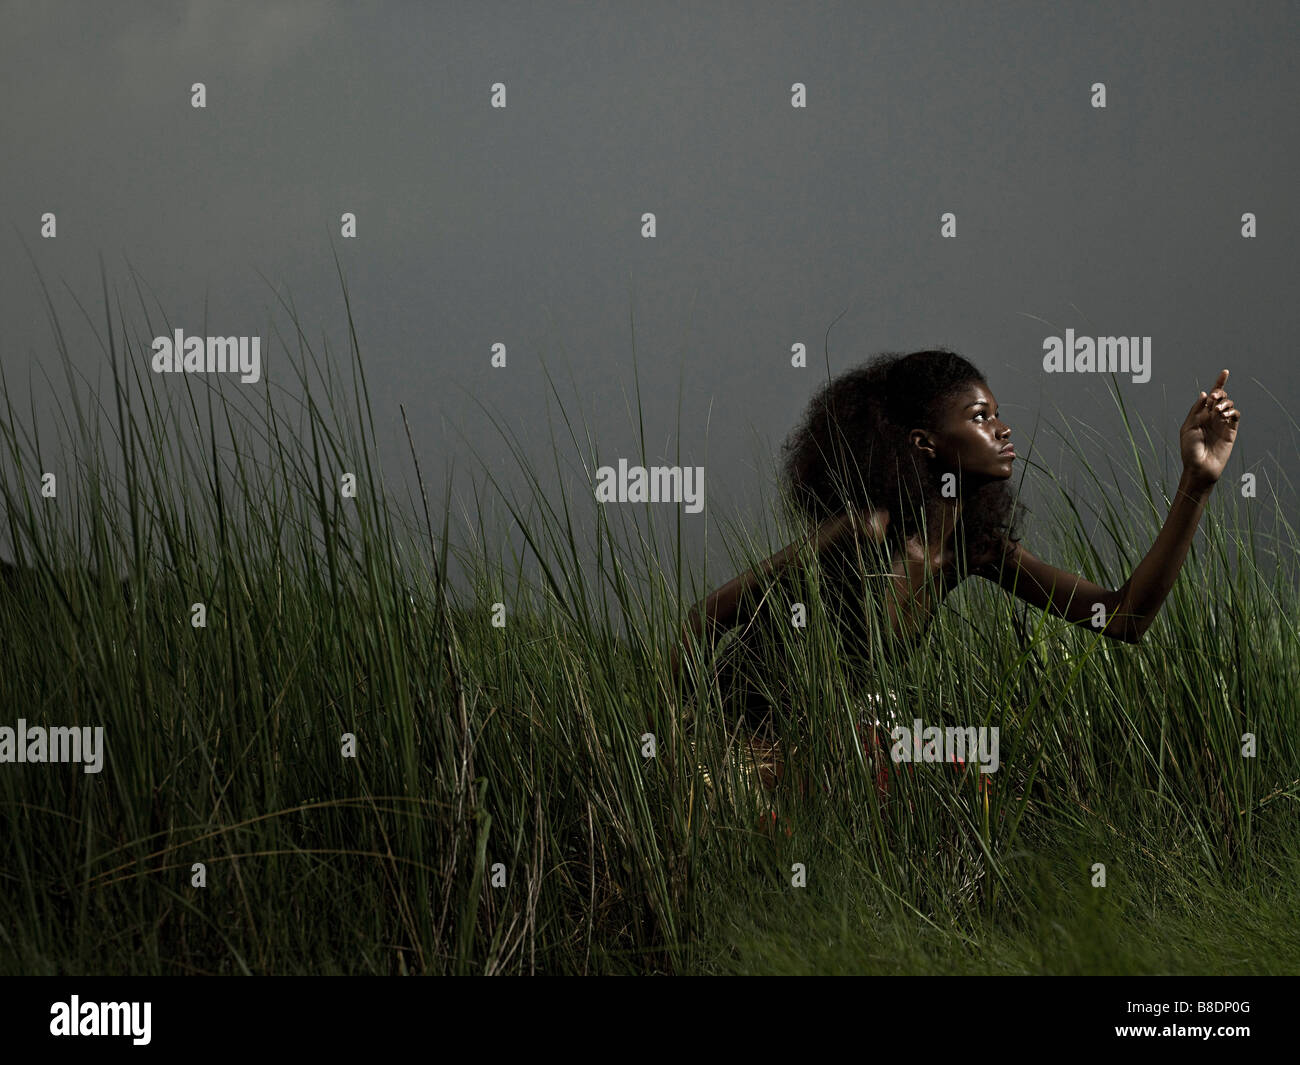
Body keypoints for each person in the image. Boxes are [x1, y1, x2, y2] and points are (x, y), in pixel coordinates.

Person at [670, 349, 1241, 796]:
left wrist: (1197, 482)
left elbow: (1124, 618)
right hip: (736, 758)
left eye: (997, 414)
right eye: (980, 417)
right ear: (926, 444)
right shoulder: (865, 532)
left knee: (973, 766)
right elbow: (700, 621)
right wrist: (675, 744)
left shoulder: (975, 552)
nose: (1002, 429)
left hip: (827, 752)